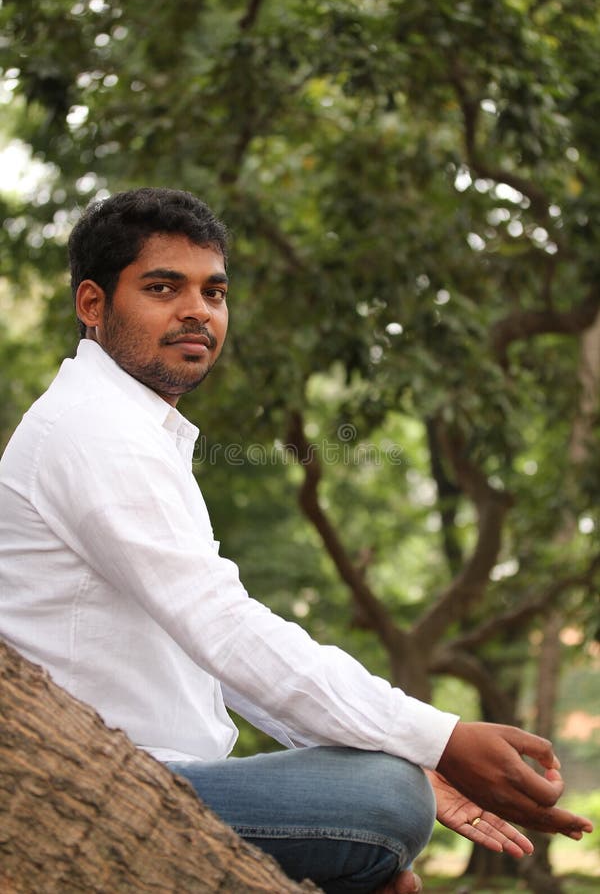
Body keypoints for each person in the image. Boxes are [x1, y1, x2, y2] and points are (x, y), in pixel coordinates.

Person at [0, 188, 591, 894]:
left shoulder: (126, 429)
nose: (198, 310)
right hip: (107, 781)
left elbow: (213, 657)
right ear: (92, 305)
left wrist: (402, 747)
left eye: (213, 292)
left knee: (389, 791)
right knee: (387, 799)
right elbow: (225, 629)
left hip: (171, 773)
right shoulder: (92, 431)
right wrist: (440, 738)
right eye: (163, 288)